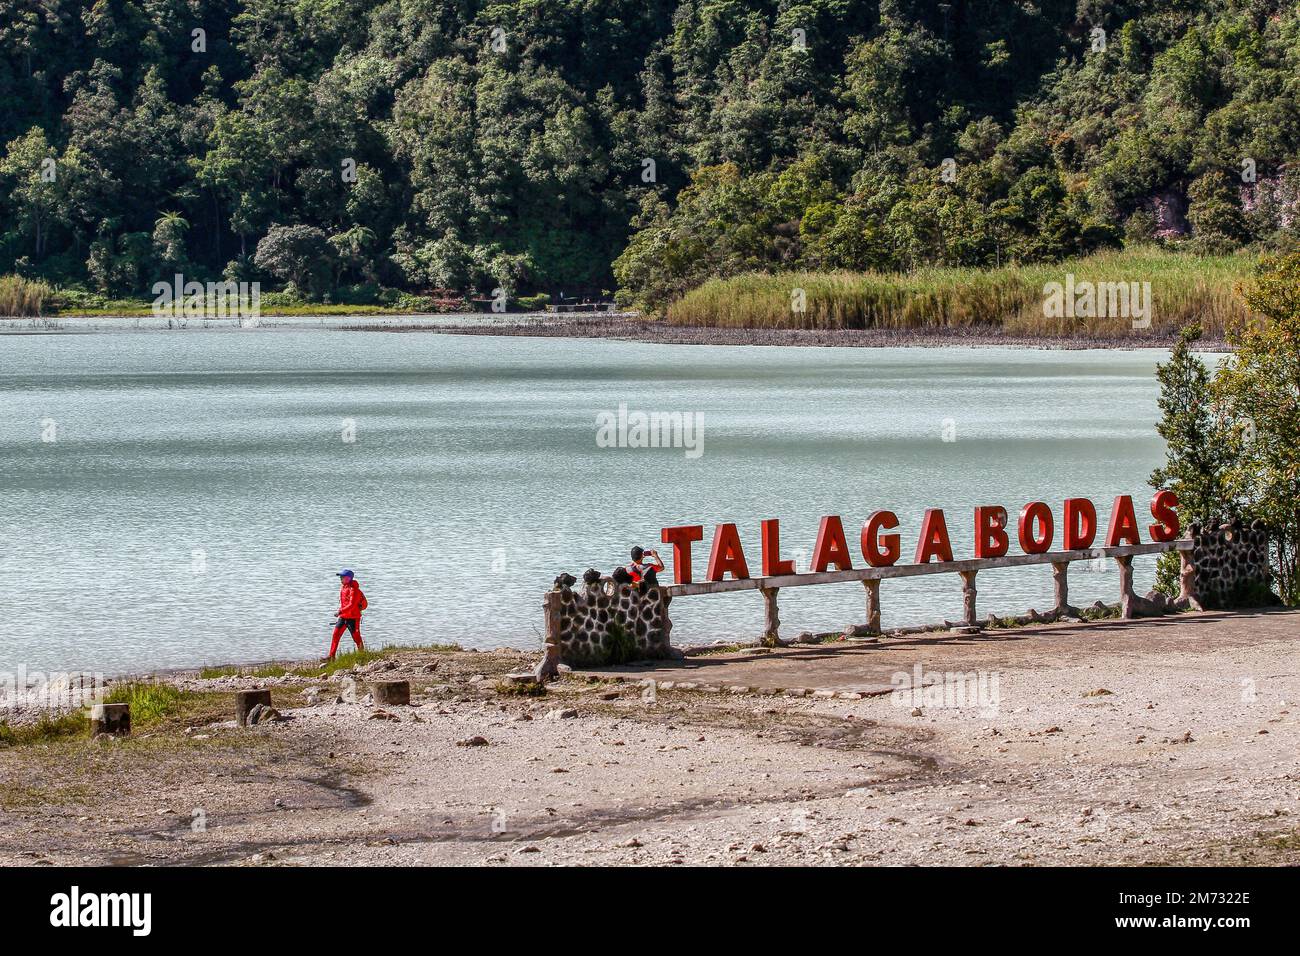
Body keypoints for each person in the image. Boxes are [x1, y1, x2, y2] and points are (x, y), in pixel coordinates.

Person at [325, 569, 367, 662]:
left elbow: (352, 605)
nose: (340, 578)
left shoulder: (354, 589)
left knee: (356, 637)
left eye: (342, 577)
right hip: (343, 617)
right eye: (340, 577)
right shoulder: (343, 587)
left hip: (353, 618)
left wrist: (340, 611)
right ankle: (331, 657)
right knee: (335, 635)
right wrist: (342, 613)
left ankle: (363, 655)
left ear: (348, 578)